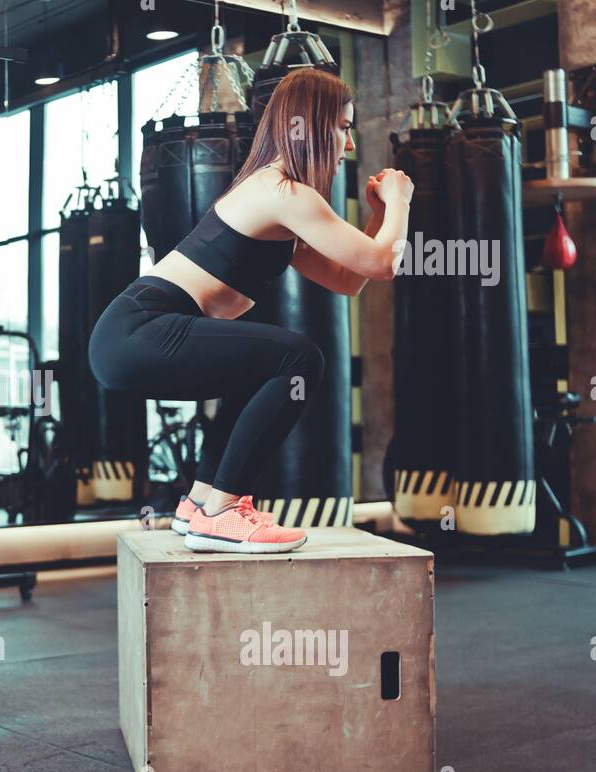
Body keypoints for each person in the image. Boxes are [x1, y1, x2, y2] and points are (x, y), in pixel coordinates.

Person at [89, 68, 413, 553]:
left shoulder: (281, 199)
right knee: (299, 358)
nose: (348, 145)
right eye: (344, 127)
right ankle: (224, 508)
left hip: (134, 336)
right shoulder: (281, 192)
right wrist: (402, 201)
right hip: (138, 330)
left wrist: (379, 215)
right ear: (312, 123)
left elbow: (349, 279)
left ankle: (201, 503)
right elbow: (385, 262)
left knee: (260, 368)